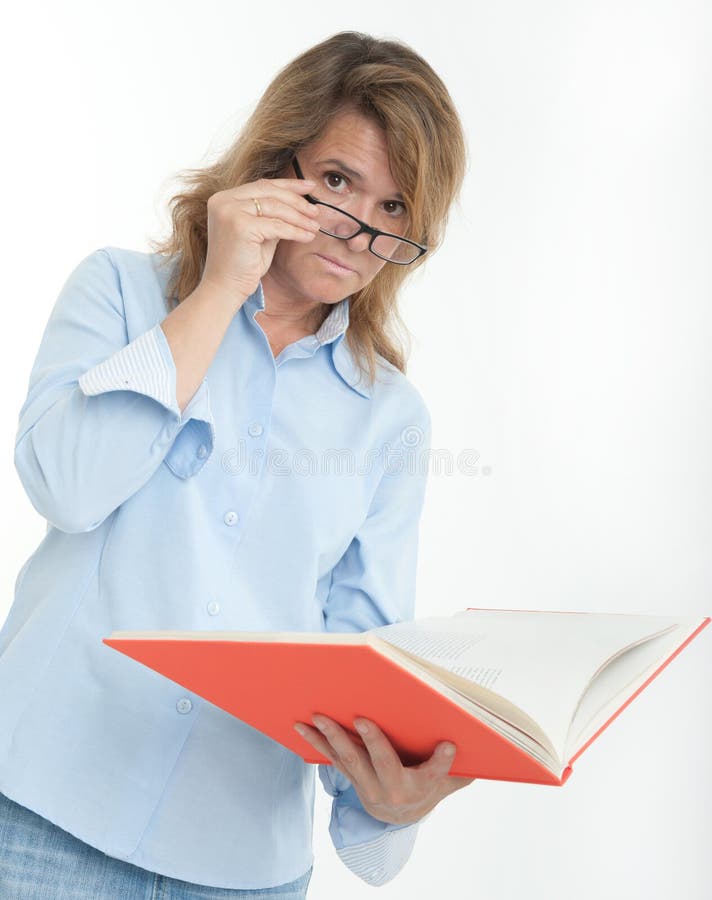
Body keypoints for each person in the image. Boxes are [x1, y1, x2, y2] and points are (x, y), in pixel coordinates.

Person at [0, 30, 471, 899]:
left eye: (396, 209)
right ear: (273, 162)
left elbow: (358, 650)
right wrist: (218, 290)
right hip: (36, 816)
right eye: (338, 181)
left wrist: (390, 804)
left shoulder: (391, 418)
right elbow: (66, 488)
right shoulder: (118, 291)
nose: (360, 232)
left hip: (237, 866)